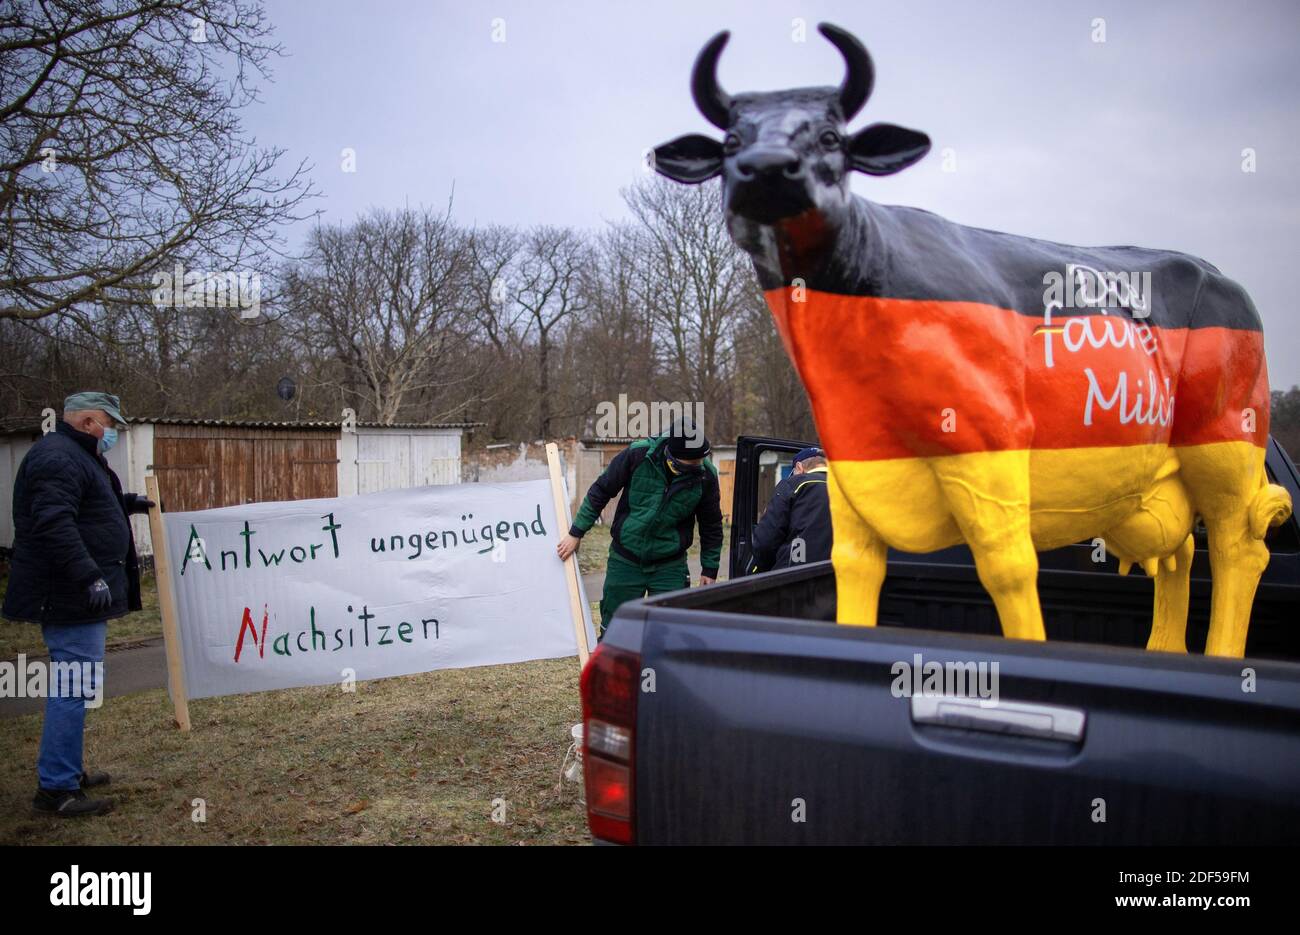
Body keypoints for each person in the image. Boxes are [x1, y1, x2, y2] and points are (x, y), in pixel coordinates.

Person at [2, 392, 153, 817]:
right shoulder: (58, 457)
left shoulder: (77, 454)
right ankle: (56, 789)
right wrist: (89, 575)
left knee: (79, 685)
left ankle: (66, 770)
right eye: (111, 425)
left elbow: (84, 506)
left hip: (73, 594)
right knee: (72, 686)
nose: (115, 434)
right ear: (88, 422)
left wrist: (126, 506)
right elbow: (54, 521)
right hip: (68, 594)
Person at [556, 420, 723, 637]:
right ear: (671, 457)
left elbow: (712, 524)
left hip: (669, 565)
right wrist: (576, 533)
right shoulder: (637, 455)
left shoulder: (705, 474)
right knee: (616, 630)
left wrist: (710, 569)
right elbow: (600, 491)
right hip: (626, 559)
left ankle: (658, 671)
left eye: (701, 460)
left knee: (669, 633)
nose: (698, 465)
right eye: (691, 462)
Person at [749, 447, 832, 572]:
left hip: (794, 576)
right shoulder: (846, 488)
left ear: (799, 467)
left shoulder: (792, 484)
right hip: (837, 575)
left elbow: (765, 540)